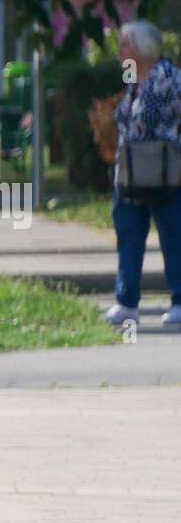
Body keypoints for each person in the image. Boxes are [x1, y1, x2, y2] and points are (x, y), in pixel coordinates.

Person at [105, 20, 181, 327]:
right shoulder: (132, 79)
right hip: (131, 172)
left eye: (126, 44)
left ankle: (179, 301)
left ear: (144, 48)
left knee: (174, 237)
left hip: (164, 172)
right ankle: (126, 302)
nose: (121, 50)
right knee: (128, 234)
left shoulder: (168, 77)